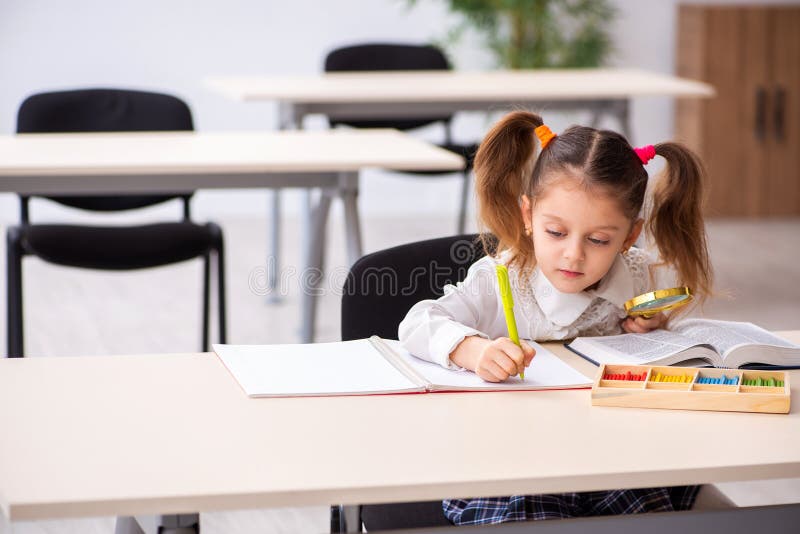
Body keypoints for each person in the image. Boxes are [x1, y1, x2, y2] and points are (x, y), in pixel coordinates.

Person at [398, 110, 716, 524]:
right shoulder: (502, 278)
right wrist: (472, 350)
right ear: (528, 216)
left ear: (629, 236)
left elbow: (659, 344)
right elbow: (416, 323)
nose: (573, 255)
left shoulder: (637, 277)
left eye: (598, 240)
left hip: (608, 455)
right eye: (556, 233)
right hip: (511, 462)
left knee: (648, 508)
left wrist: (651, 328)